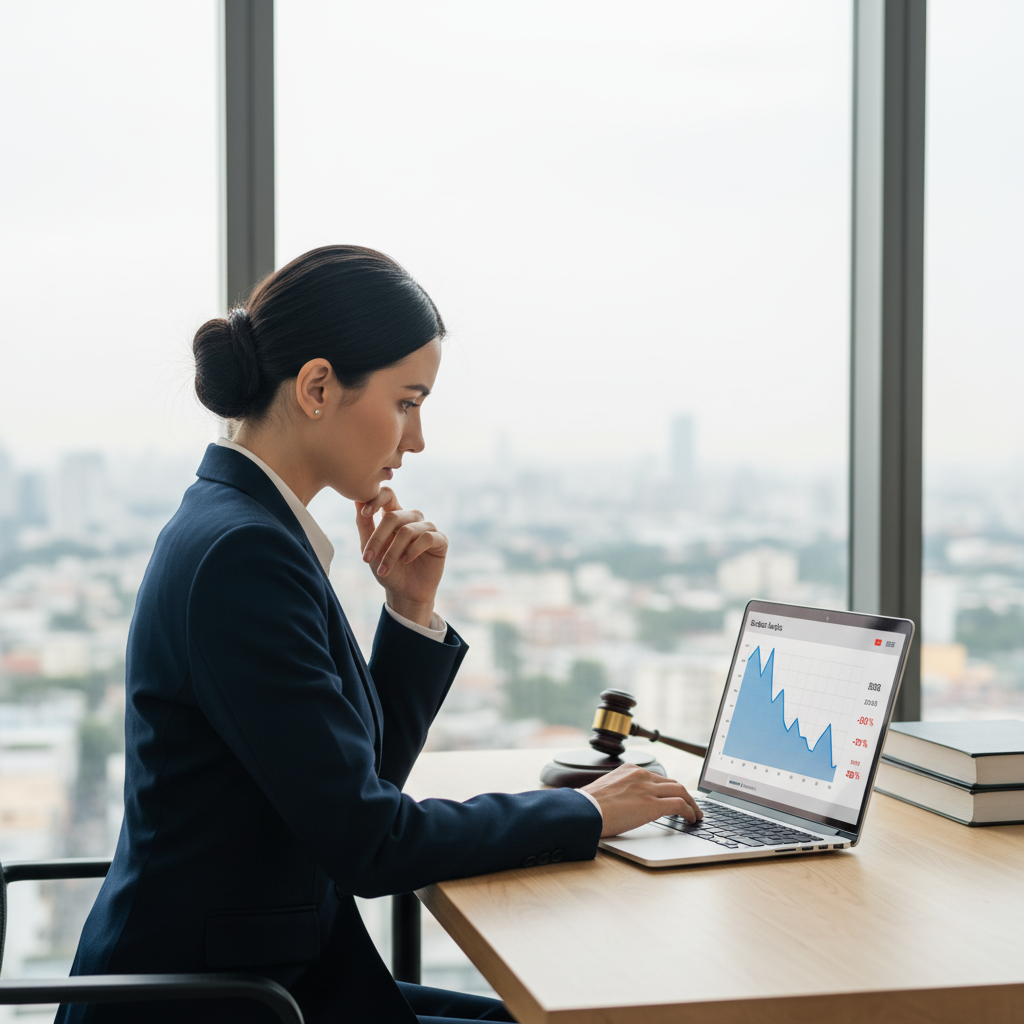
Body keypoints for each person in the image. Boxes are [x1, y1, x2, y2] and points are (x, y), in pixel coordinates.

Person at [57, 245, 701, 1024]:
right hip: (216, 1003)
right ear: (319, 387)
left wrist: (409, 613)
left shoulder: (248, 527)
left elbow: (356, 790)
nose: (417, 438)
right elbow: (370, 843)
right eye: (407, 401)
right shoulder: (244, 553)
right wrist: (591, 812)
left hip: (265, 979)